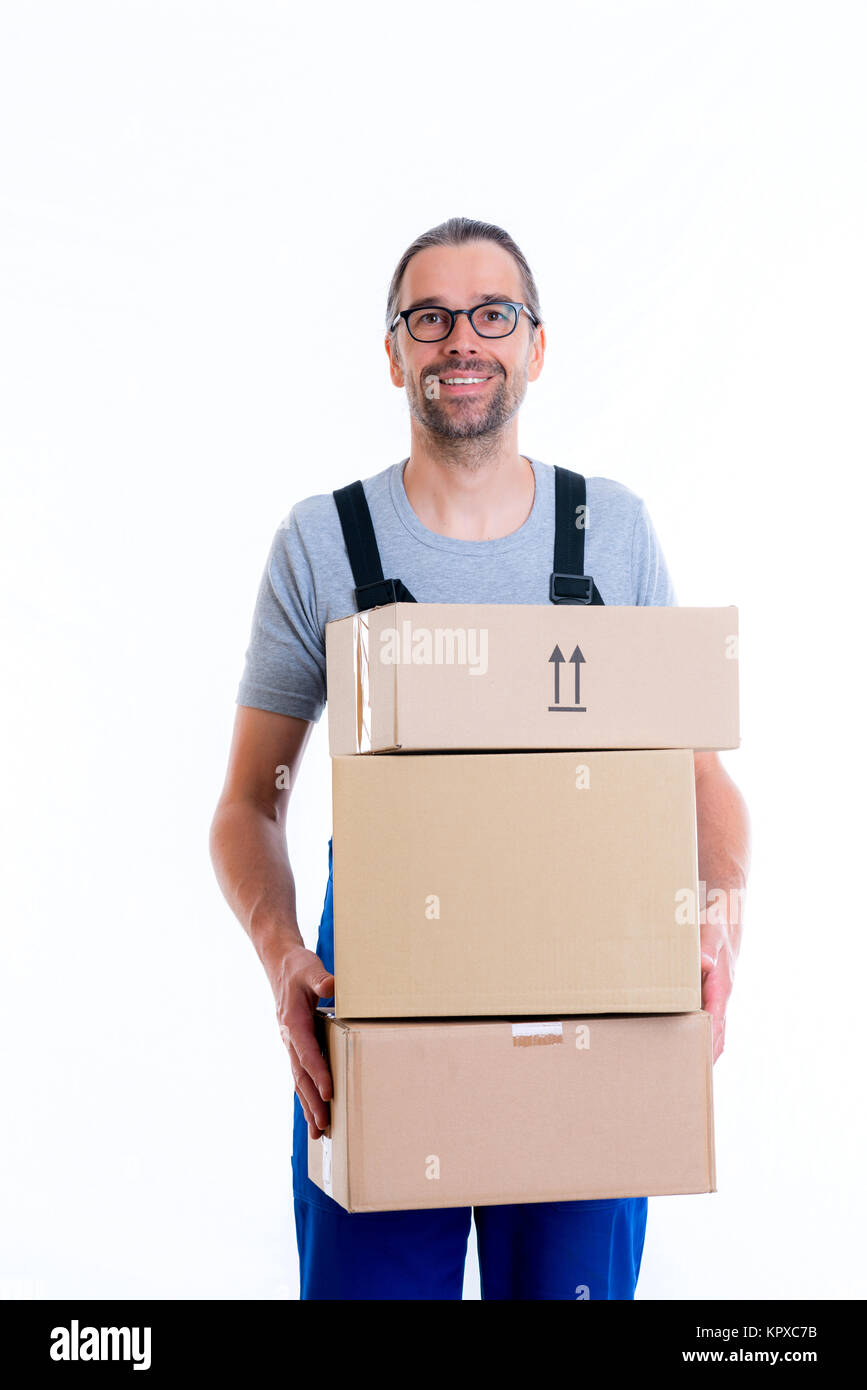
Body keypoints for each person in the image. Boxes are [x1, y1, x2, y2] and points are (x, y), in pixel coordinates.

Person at [209, 216, 751, 1300]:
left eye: (492, 314)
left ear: (535, 346)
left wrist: (717, 922)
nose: (463, 340)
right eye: (430, 317)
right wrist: (281, 961)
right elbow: (249, 804)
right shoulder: (325, 542)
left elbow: (700, 781)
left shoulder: (611, 534)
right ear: (394, 350)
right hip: (377, 991)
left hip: (591, 1000)